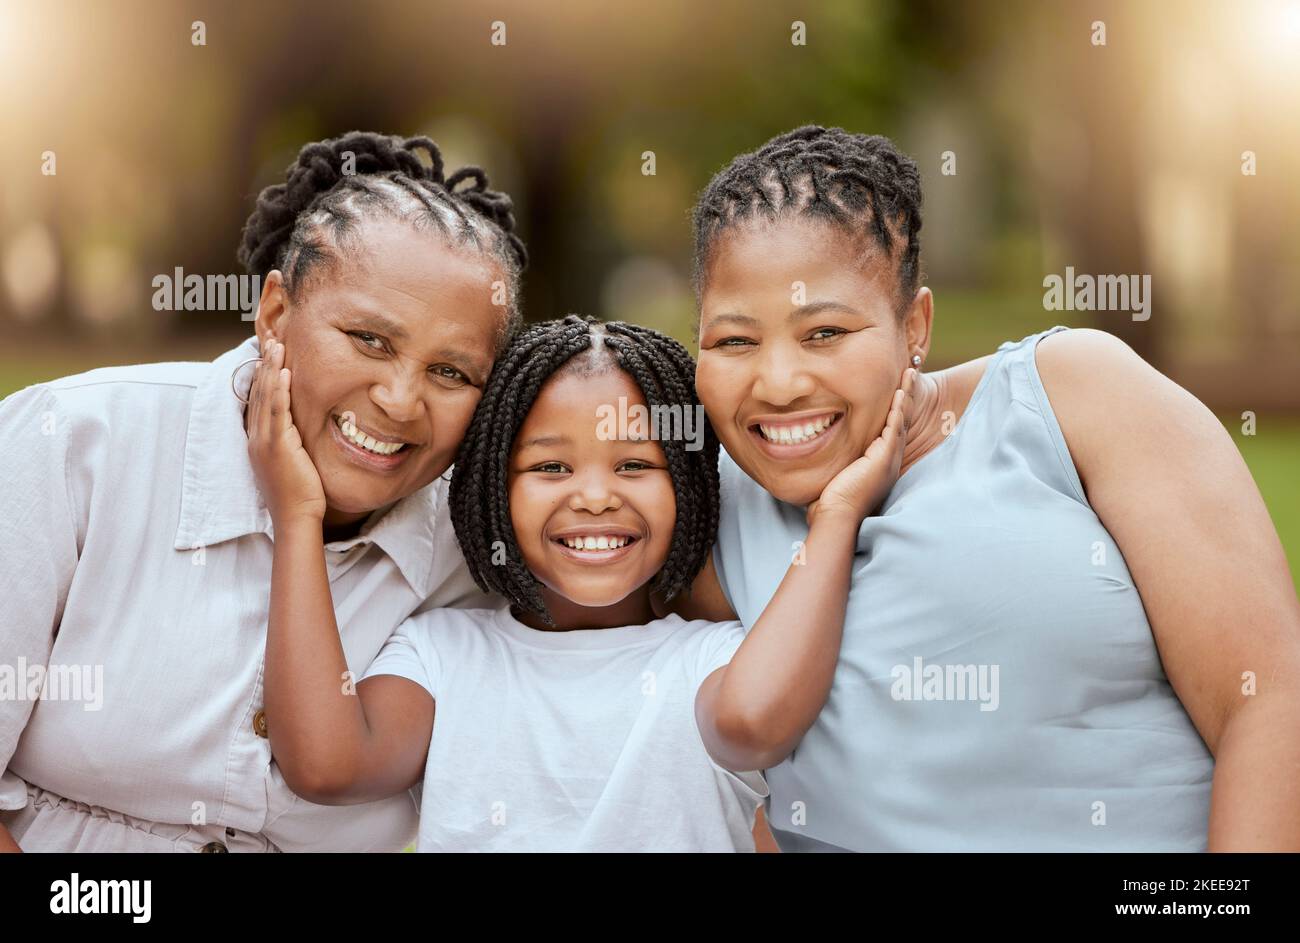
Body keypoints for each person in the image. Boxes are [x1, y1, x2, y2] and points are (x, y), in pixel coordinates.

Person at [676, 125, 1300, 851]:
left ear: (915, 326)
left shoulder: (1072, 396)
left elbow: (1267, 702)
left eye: (825, 332)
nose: (778, 384)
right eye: (733, 341)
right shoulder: (706, 508)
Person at [0, 131, 526, 852]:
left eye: (452, 372)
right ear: (276, 312)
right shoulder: (74, 445)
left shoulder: (479, 560)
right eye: (370, 339)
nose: (401, 400)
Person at [246, 314, 912, 850]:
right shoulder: (441, 654)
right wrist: (298, 516)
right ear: (489, 490)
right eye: (550, 468)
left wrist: (837, 516)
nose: (595, 496)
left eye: (633, 464)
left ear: (690, 485)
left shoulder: (716, 660)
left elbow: (753, 723)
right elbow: (325, 765)